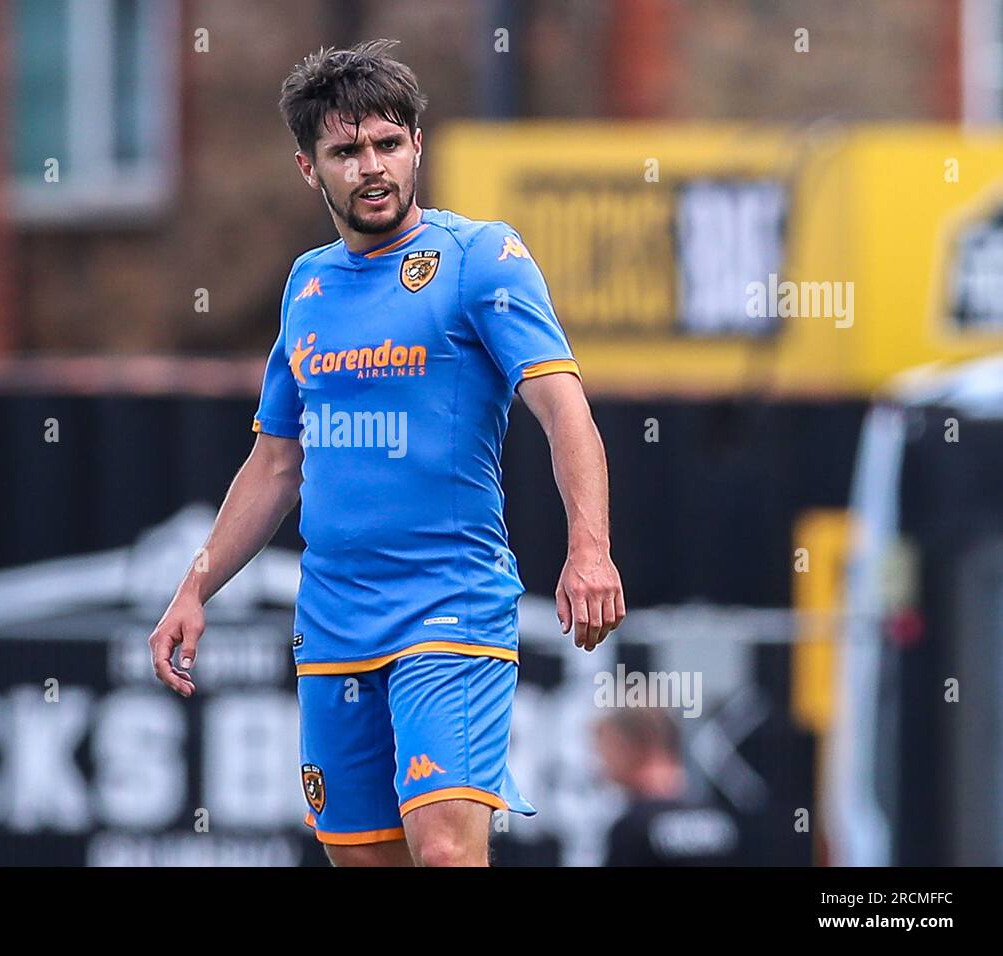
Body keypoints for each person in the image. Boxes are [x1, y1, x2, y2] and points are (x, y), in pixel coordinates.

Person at [148, 39, 624, 867]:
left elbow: (565, 410)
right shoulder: (307, 286)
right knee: (366, 857)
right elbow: (275, 463)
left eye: (387, 143)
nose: (371, 167)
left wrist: (589, 549)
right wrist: (195, 585)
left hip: (452, 602)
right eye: (346, 151)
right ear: (309, 167)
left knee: (443, 849)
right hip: (333, 617)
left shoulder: (481, 258)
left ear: (416, 147)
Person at [595, 709, 741, 866]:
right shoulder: (721, 821)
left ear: (626, 747)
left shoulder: (631, 828)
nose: (601, 763)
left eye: (606, 749)